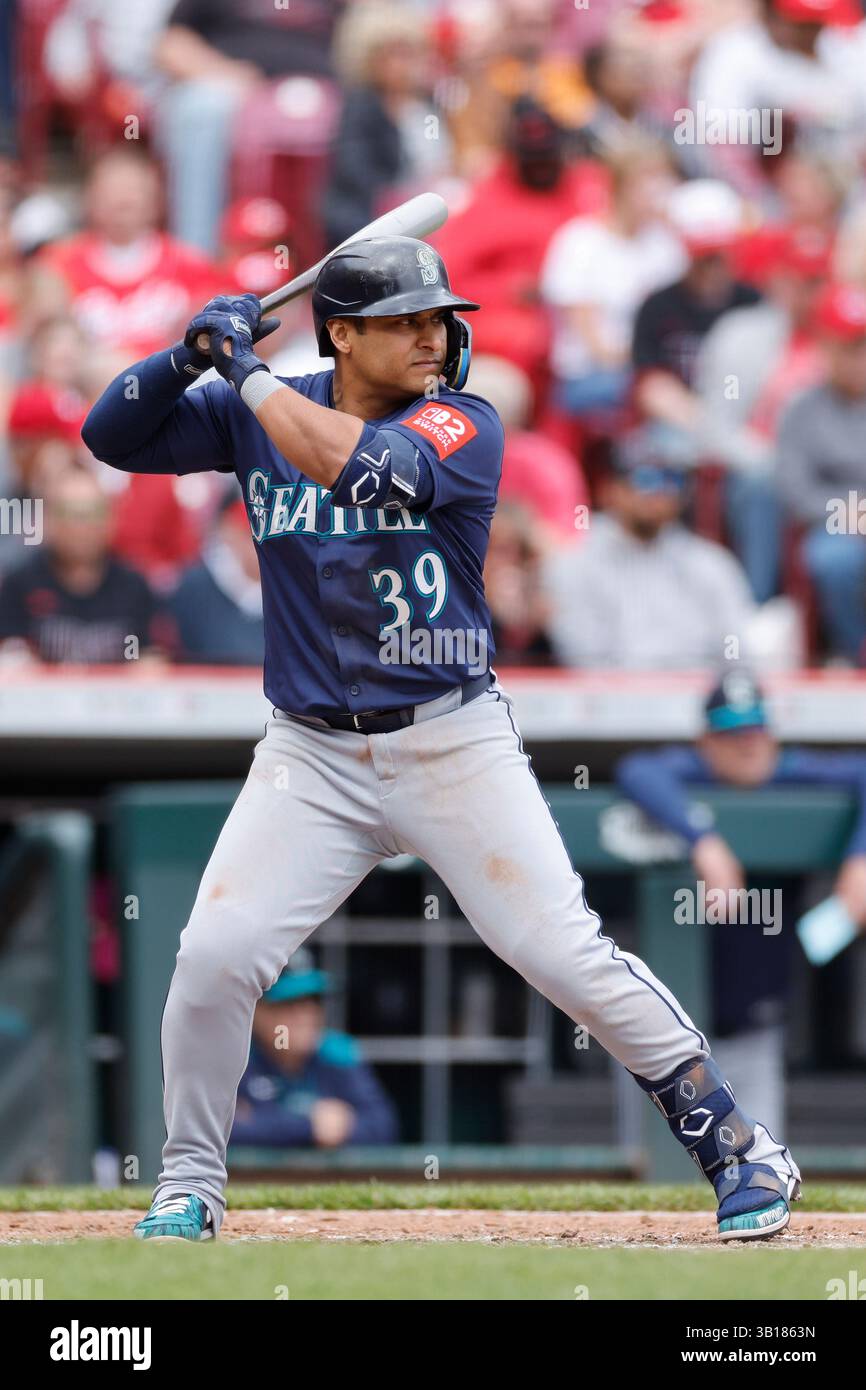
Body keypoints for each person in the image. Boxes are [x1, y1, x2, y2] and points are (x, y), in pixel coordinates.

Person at [83, 239, 800, 1244]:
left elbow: (358, 468)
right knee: (214, 955)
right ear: (341, 334)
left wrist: (241, 371)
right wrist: (188, 353)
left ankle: (732, 1141)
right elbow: (110, 431)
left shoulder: (460, 419)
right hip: (311, 752)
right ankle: (189, 1181)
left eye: (436, 318)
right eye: (406, 321)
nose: (433, 337)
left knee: (560, 953)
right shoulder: (260, 403)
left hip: (450, 737)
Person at [616, 669, 866, 1133]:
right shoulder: (690, 776)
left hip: (752, 1026)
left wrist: (860, 859)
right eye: (732, 734)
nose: (748, 744)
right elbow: (636, 771)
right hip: (660, 1031)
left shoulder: (792, 774)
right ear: (706, 741)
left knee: (758, 1160)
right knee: (655, 1168)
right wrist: (703, 840)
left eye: (755, 730)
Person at [543, 428, 757, 671]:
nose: (659, 492)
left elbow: (739, 655)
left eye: (672, 479)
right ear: (611, 489)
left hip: (694, 700)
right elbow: (582, 658)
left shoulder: (711, 563)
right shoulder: (575, 561)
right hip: (608, 702)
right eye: (645, 478)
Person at [694, 226, 831, 602]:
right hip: (762, 465)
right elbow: (716, 427)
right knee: (763, 484)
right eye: (800, 280)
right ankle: (761, 605)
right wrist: (778, 461)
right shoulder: (741, 334)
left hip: (829, 474)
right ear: (778, 280)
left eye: (819, 280)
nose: (810, 292)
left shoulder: (844, 337)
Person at [540, 144, 685, 420]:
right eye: (648, 179)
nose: (658, 190)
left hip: (657, 372)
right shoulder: (580, 241)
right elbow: (597, 348)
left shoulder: (665, 244)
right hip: (587, 377)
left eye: (663, 178)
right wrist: (649, 363)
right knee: (655, 390)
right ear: (622, 185)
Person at [631, 180, 760, 461]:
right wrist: (709, 429)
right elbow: (651, 387)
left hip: (747, 423)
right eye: (702, 258)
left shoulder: (753, 304)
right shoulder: (658, 306)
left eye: (718, 256)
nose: (711, 267)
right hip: (682, 425)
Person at [776, 283, 866, 663]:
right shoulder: (803, 410)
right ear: (827, 348)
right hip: (836, 526)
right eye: (851, 347)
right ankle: (856, 652)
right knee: (833, 561)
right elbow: (795, 491)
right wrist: (855, 515)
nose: (860, 359)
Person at [0, 466, 168, 664]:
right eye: (71, 514)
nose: (82, 526)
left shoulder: (134, 586)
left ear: (110, 519)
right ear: (49, 519)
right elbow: (9, 652)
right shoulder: (20, 584)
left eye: (93, 513)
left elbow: (153, 655)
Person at [231, 950, 397, 1149]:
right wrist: (309, 1126)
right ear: (256, 1011)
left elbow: (382, 1127)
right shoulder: (235, 1059)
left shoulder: (337, 1054)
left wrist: (264, 1121)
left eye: (313, 1002)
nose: (306, 1016)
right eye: (289, 1004)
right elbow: (223, 1131)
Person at [170, 494, 264, 665]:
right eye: (247, 533)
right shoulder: (196, 586)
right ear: (227, 531)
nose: (257, 543)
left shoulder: (296, 586)